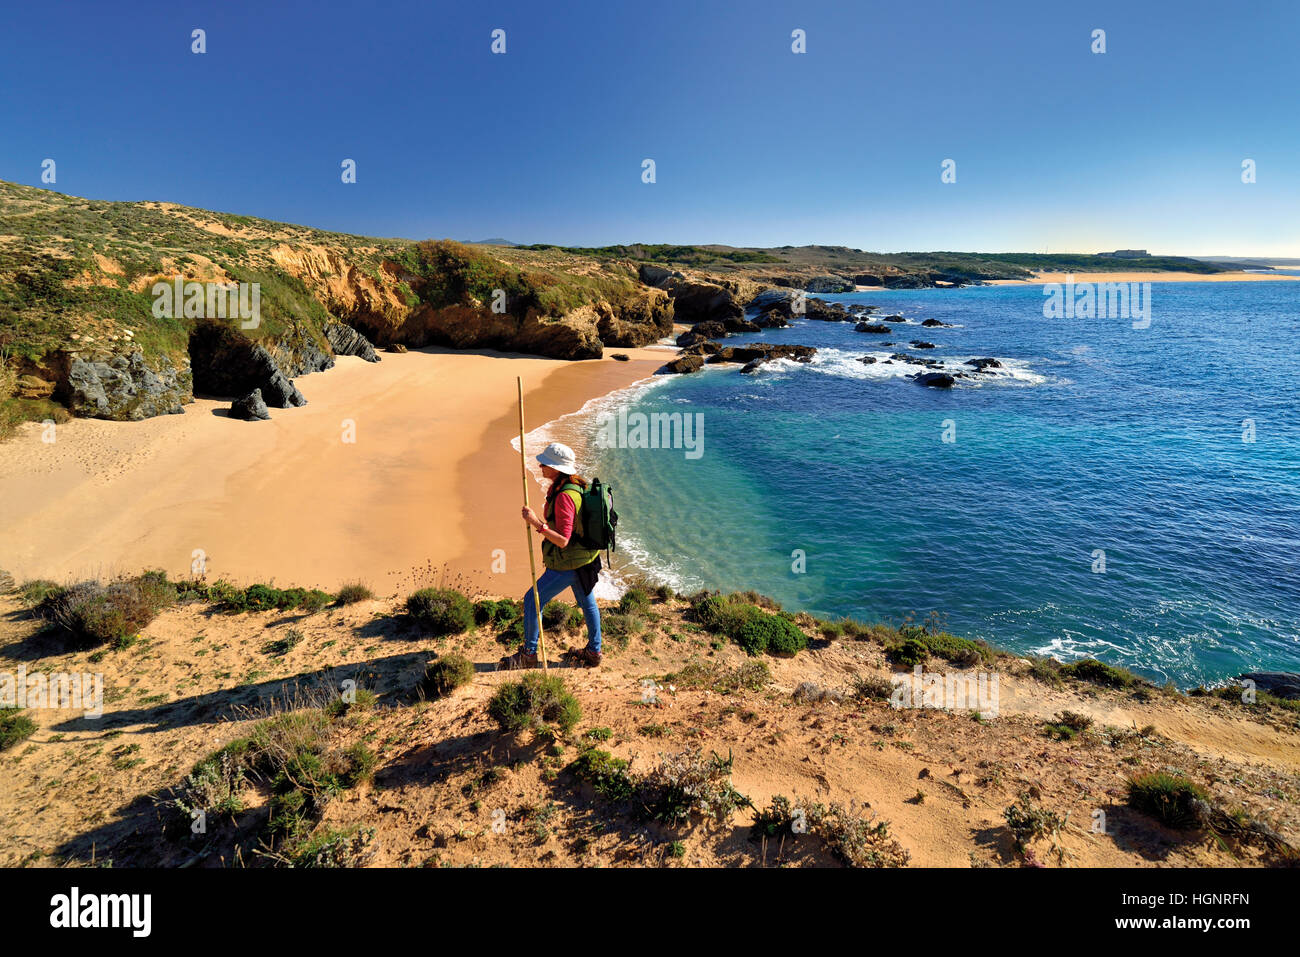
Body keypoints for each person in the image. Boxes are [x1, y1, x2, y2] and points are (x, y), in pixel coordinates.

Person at [500, 441, 603, 669]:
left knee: (532, 599)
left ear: (557, 469)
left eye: (544, 463)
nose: (540, 466)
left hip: (570, 562)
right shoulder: (577, 486)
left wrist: (535, 522)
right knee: (588, 603)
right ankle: (594, 652)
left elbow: (563, 540)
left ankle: (528, 655)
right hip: (586, 558)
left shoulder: (565, 495)